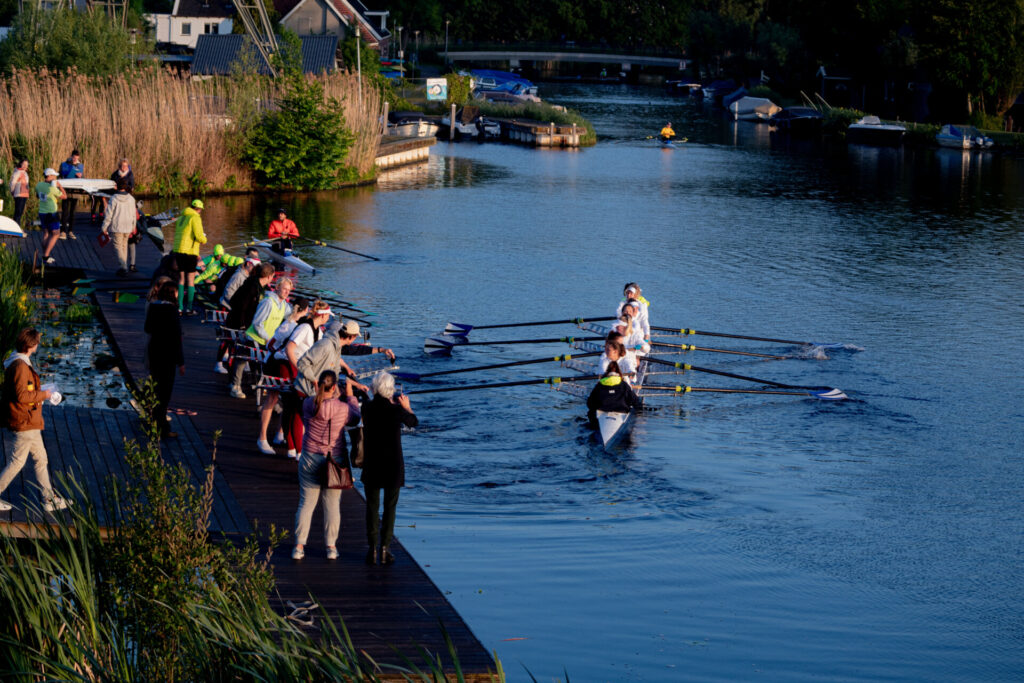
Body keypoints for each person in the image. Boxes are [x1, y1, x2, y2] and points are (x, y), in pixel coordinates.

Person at [0, 328, 72, 512]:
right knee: (17, 462)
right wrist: (45, 395)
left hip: (29, 421)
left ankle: (49, 500)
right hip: (25, 422)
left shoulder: (16, 361)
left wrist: (40, 391)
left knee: (41, 458)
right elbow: (22, 396)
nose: (38, 345)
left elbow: (23, 391)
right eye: (37, 342)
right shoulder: (21, 366)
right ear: (31, 345)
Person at [292, 370, 360, 561]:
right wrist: (349, 395)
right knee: (331, 505)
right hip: (335, 459)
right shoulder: (343, 408)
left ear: (319, 384)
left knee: (306, 503)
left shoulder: (308, 404)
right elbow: (356, 418)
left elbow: (315, 401)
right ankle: (331, 547)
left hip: (310, 456)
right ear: (335, 386)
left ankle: (299, 546)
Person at [361, 371, 418, 566]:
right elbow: (413, 422)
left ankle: (372, 548)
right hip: (393, 465)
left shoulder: (367, 408)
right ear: (391, 390)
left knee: (372, 507)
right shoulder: (396, 411)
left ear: (375, 388)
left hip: (372, 464)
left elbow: (367, 403)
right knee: (390, 507)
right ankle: (385, 548)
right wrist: (407, 407)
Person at [256, 296, 309, 453]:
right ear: (306, 310)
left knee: (287, 399)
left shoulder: (295, 323)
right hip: (274, 364)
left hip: (283, 364)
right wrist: (282, 354)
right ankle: (262, 438)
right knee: (272, 398)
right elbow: (270, 344)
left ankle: (280, 434)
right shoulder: (290, 325)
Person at [279, 301, 332, 458]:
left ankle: (292, 449)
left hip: (299, 369)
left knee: (294, 407)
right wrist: (300, 370)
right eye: (328, 315)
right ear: (323, 316)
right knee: (294, 407)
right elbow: (289, 349)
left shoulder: (318, 331)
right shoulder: (305, 328)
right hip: (287, 365)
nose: (329, 318)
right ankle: (296, 450)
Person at [225, 262, 276, 399]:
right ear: (269, 276)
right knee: (242, 355)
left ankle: (250, 383)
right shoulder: (252, 287)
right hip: (239, 324)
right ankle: (235, 386)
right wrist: (242, 326)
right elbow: (241, 306)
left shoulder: (260, 287)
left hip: (247, 325)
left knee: (246, 354)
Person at [144, 280, 185, 439]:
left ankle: (152, 421)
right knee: (165, 392)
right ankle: (163, 427)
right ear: (172, 293)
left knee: (155, 387)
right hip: (168, 355)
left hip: (154, 351)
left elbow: (147, 328)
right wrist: (181, 362)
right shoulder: (172, 310)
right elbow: (176, 337)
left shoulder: (153, 307)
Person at [171, 199, 207, 315]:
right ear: (199, 209)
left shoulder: (181, 217)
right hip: (190, 253)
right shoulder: (195, 217)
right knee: (190, 280)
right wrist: (204, 240)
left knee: (181, 279)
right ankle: (189, 308)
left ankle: (180, 308)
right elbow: (199, 236)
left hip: (179, 251)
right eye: (200, 210)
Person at [586, 361, 639, 429]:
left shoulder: (599, 385)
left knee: (591, 412)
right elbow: (635, 401)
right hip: (621, 412)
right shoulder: (624, 385)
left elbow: (589, 403)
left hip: (601, 412)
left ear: (607, 373)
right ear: (619, 373)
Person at [100, 182, 138, 277]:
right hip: (128, 226)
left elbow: (109, 214)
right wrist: (133, 226)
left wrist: (104, 227)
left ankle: (123, 267)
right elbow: (133, 214)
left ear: (117, 187)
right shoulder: (131, 199)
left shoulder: (114, 198)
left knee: (118, 246)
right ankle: (124, 266)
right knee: (124, 246)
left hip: (117, 226)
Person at [37, 168, 66, 265]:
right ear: (49, 176)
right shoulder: (52, 188)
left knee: (46, 233)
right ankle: (46, 256)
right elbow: (64, 196)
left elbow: (37, 195)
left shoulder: (39, 185)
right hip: (51, 212)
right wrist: (60, 186)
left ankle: (45, 255)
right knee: (56, 234)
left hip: (42, 212)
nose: (55, 178)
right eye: (54, 176)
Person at [58, 149, 83, 239]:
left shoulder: (80, 166)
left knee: (73, 212)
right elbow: (60, 176)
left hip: (75, 192)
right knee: (65, 211)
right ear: (71, 156)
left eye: (76, 157)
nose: (75, 158)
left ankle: (71, 231)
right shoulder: (64, 164)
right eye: (74, 157)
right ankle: (63, 231)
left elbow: (82, 177)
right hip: (66, 191)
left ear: (78, 157)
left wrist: (80, 176)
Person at [8, 159, 29, 226]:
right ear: (20, 164)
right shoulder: (17, 172)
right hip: (19, 194)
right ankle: (15, 226)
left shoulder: (25, 173)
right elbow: (12, 183)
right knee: (18, 211)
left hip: (25, 194)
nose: (25, 166)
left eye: (26, 165)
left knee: (20, 212)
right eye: (24, 164)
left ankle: (17, 226)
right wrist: (12, 191)